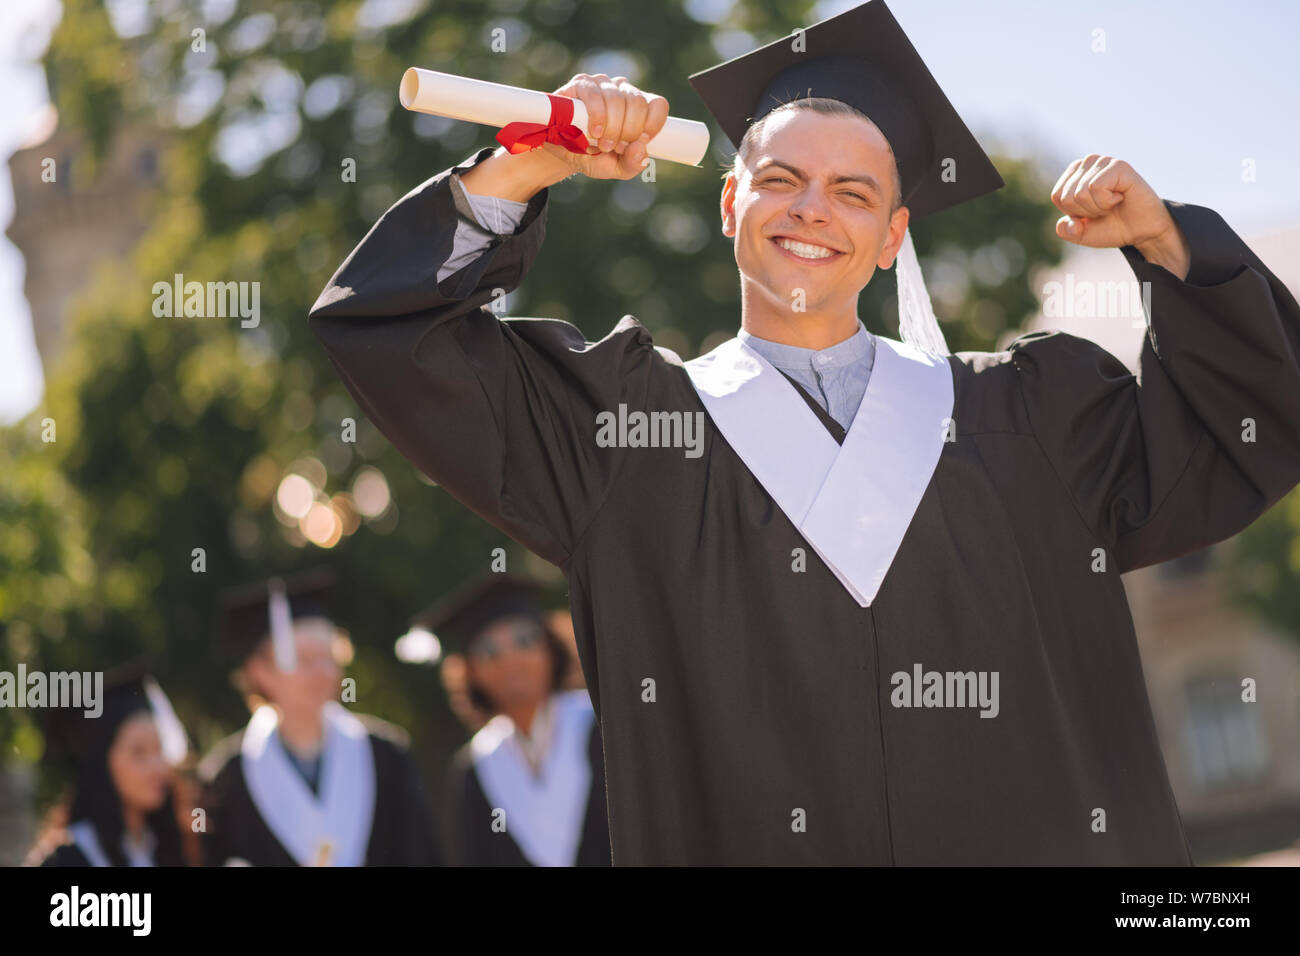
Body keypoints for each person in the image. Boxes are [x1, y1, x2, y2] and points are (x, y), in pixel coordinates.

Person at [308, 0, 1300, 864]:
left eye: (854, 191)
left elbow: (1250, 424)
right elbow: (391, 333)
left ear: (892, 236)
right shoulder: (619, 437)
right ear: (732, 200)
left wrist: (1169, 240)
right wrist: (529, 164)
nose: (812, 210)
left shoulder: (1034, 417)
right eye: (780, 179)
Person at [197, 569, 442, 866]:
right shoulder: (225, 781)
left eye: (330, 658)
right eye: (305, 660)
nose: (324, 673)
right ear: (259, 672)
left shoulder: (387, 755)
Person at [409, 574, 610, 866]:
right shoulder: (476, 768)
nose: (510, 659)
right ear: (471, 672)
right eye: (489, 651)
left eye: (524, 640)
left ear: (550, 648)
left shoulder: (603, 728)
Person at [28, 662, 193, 867]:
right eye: (139, 753)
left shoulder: (166, 846)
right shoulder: (67, 860)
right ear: (101, 764)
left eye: (159, 749)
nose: (158, 766)